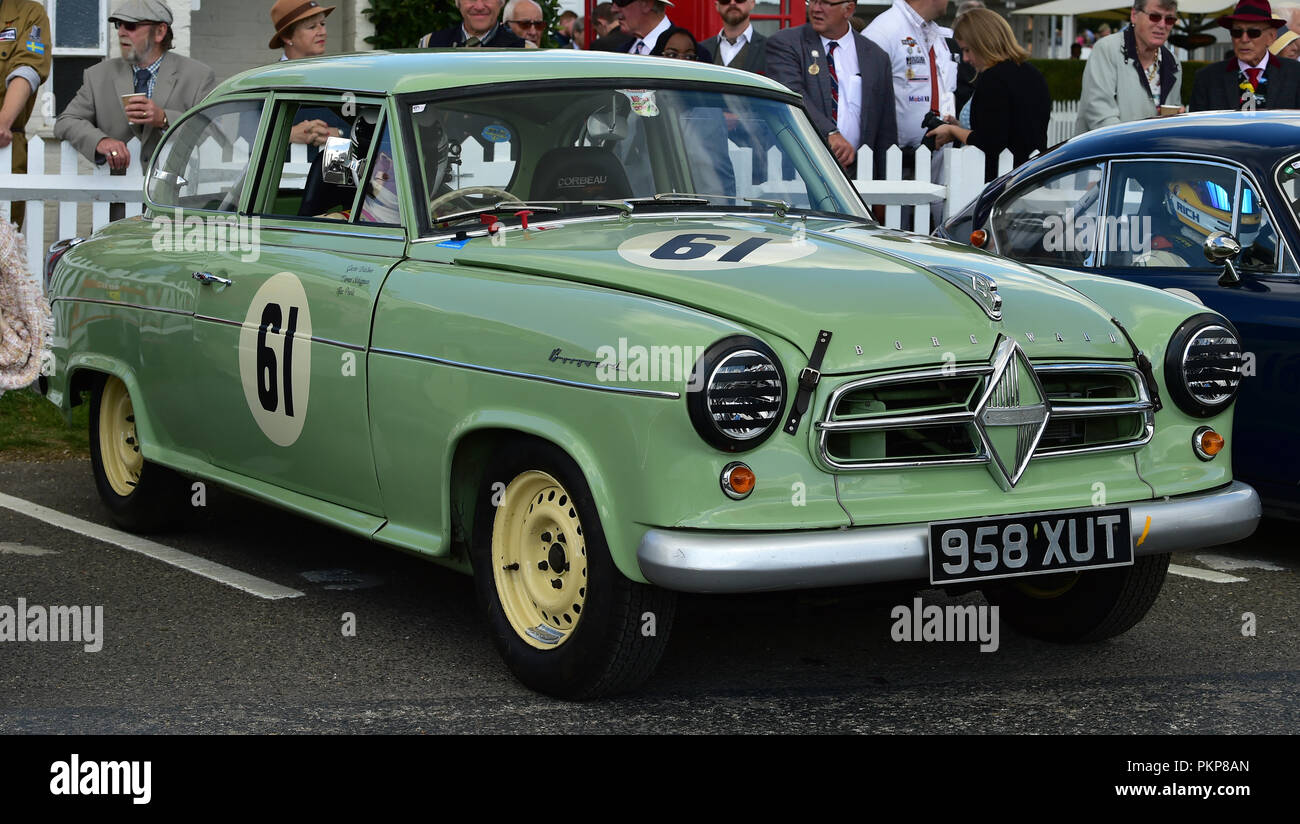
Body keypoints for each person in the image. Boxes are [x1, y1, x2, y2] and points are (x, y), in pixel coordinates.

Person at [54, 0, 216, 175]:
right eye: (119, 25)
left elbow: (213, 132)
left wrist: (164, 119)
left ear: (160, 32)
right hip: (118, 197)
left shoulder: (198, 75)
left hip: (173, 194)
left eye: (131, 26)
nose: (121, 32)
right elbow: (66, 121)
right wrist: (100, 141)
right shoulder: (98, 75)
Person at [766, 0, 898, 178]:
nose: (815, 9)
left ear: (848, 9)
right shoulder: (785, 43)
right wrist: (830, 133)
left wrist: (885, 188)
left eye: (825, 3)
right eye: (813, 1)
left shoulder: (876, 56)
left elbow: (885, 127)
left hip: (858, 172)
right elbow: (792, 93)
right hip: (803, 169)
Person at [924, 8, 1049, 182]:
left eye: (967, 50)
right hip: (1032, 173)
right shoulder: (1031, 72)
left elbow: (989, 142)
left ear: (984, 43)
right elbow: (1011, 127)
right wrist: (960, 127)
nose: (965, 59)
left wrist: (952, 130)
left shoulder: (994, 78)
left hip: (1000, 181)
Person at [864, 0, 958, 154]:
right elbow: (866, 99)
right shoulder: (883, 31)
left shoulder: (935, 33)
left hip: (937, 157)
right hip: (898, 160)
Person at [1076, 1, 1181, 132]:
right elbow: (1100, 118)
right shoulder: (1106, 50)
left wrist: (1178, 119)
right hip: (1108, 151)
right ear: (1134, 15)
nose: (1162, 25)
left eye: (1169, 19)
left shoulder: (1173, 63)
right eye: (1155, 16)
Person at [1190, 0, 1300, 110]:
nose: (1244, 39)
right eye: (1237, 32)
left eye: (1253, 33)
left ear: (1271, 37)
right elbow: (1196, 126)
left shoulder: (1295, 74)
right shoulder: (1207, 78)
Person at [0, 0, 52, 229]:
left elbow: (27, 70)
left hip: (4, 146)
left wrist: (2, 123)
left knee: (5, 249)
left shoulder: (28, 12)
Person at [269, 0, 344, 153]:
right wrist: (288, 134)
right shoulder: (265, 82)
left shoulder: (340, 78)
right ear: (287, 37)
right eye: (311, 27)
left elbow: (365, 127)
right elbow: (247, 138)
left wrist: (341, 134)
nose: (322, 31)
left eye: (322, 24)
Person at [417, 0, 526, 47]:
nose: (479, 7)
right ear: (458, 2)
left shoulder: (525, 51)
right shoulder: (430, 44)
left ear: (501, 2)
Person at [700, 0, 767, 73]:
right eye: (726, 0)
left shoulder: (769, 49)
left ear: (752, 3)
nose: (732, 3)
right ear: (717, 5)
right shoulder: (701, 49)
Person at [610, 0, 674, 55]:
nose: (613, 9)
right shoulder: (620, 49)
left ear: (646, 4)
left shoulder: (681, 50)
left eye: (620, 1)